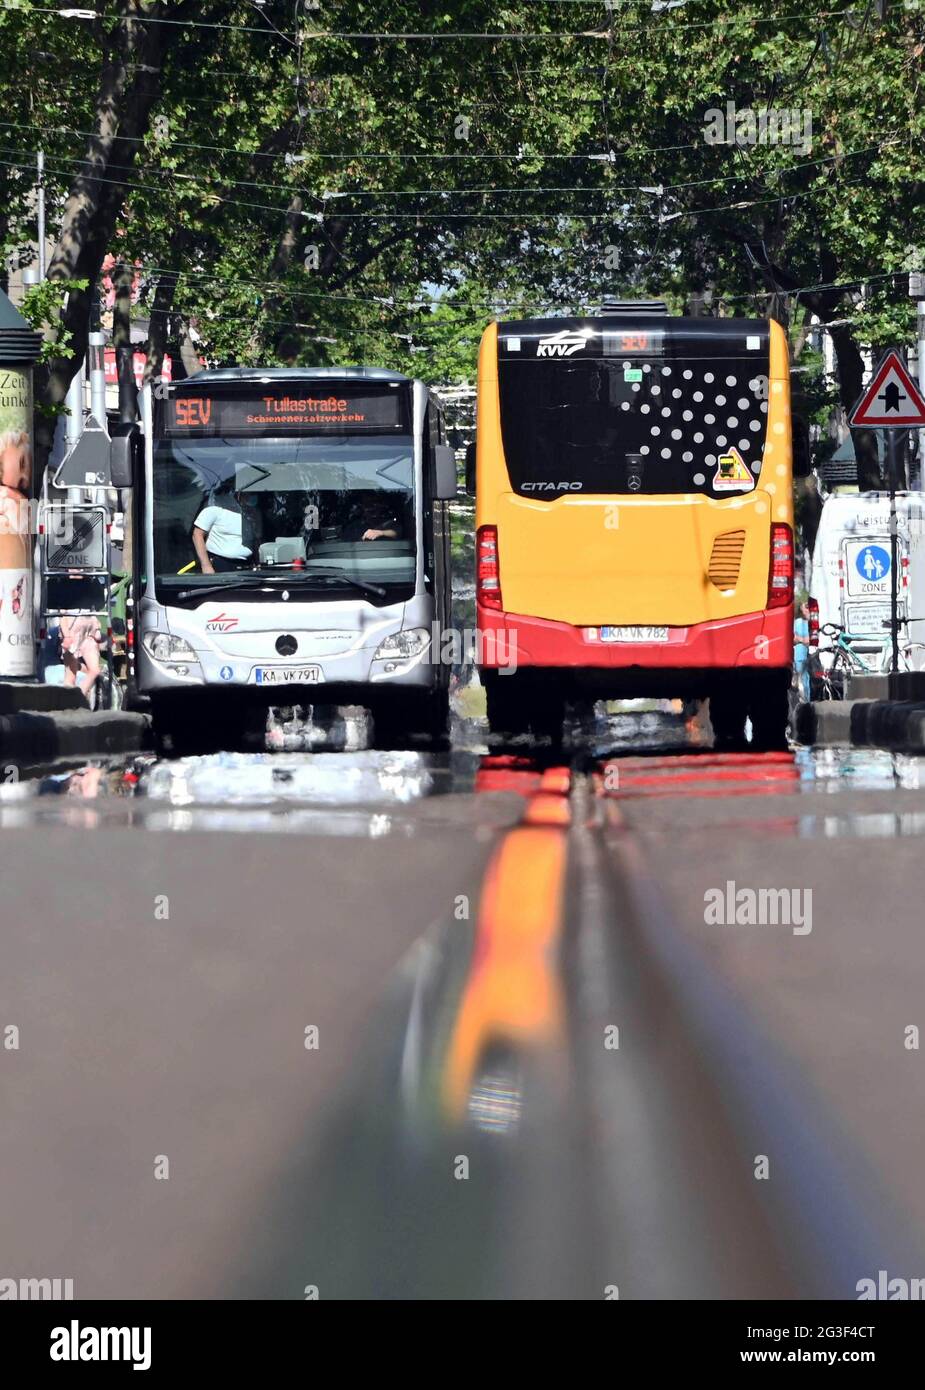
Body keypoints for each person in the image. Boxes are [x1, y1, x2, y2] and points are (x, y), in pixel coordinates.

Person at [192, 485, 261, 573]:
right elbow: (197, 535)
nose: (249, 496)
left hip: (246, 565)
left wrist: (258, 562)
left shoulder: (251, 513)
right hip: (221, 564)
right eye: (247, 493)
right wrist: (206, 565)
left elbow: (255, 539)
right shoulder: (214, 509)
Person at [60, 613, 102, 702]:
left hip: (90, 631)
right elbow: (62, 615)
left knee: (95, 670)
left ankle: (78, 699)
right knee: (71, 677)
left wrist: (97, 628)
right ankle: (69, 704)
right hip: (72, 630)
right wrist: (66, 636)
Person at [337, 490, 402, 542]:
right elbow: (343, 541)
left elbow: (397, 532)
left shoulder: (388, 523)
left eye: (374, 504)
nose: (371, 508)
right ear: (362, 507)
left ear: (380, 506)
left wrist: (380, 533)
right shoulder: (354, 526)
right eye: (367, 505)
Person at [794, 599, 811, 703]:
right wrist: (802, 640)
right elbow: (792, 638)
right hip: (799, 656)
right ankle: (804, 702)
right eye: (806, 608)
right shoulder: (798, 622)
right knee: (802, 681)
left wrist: (801, 639)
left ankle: (808, 701)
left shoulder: (810, 623)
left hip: (809, 656)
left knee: (807, 680)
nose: (807, 610)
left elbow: (809, 641)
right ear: (801, 609)